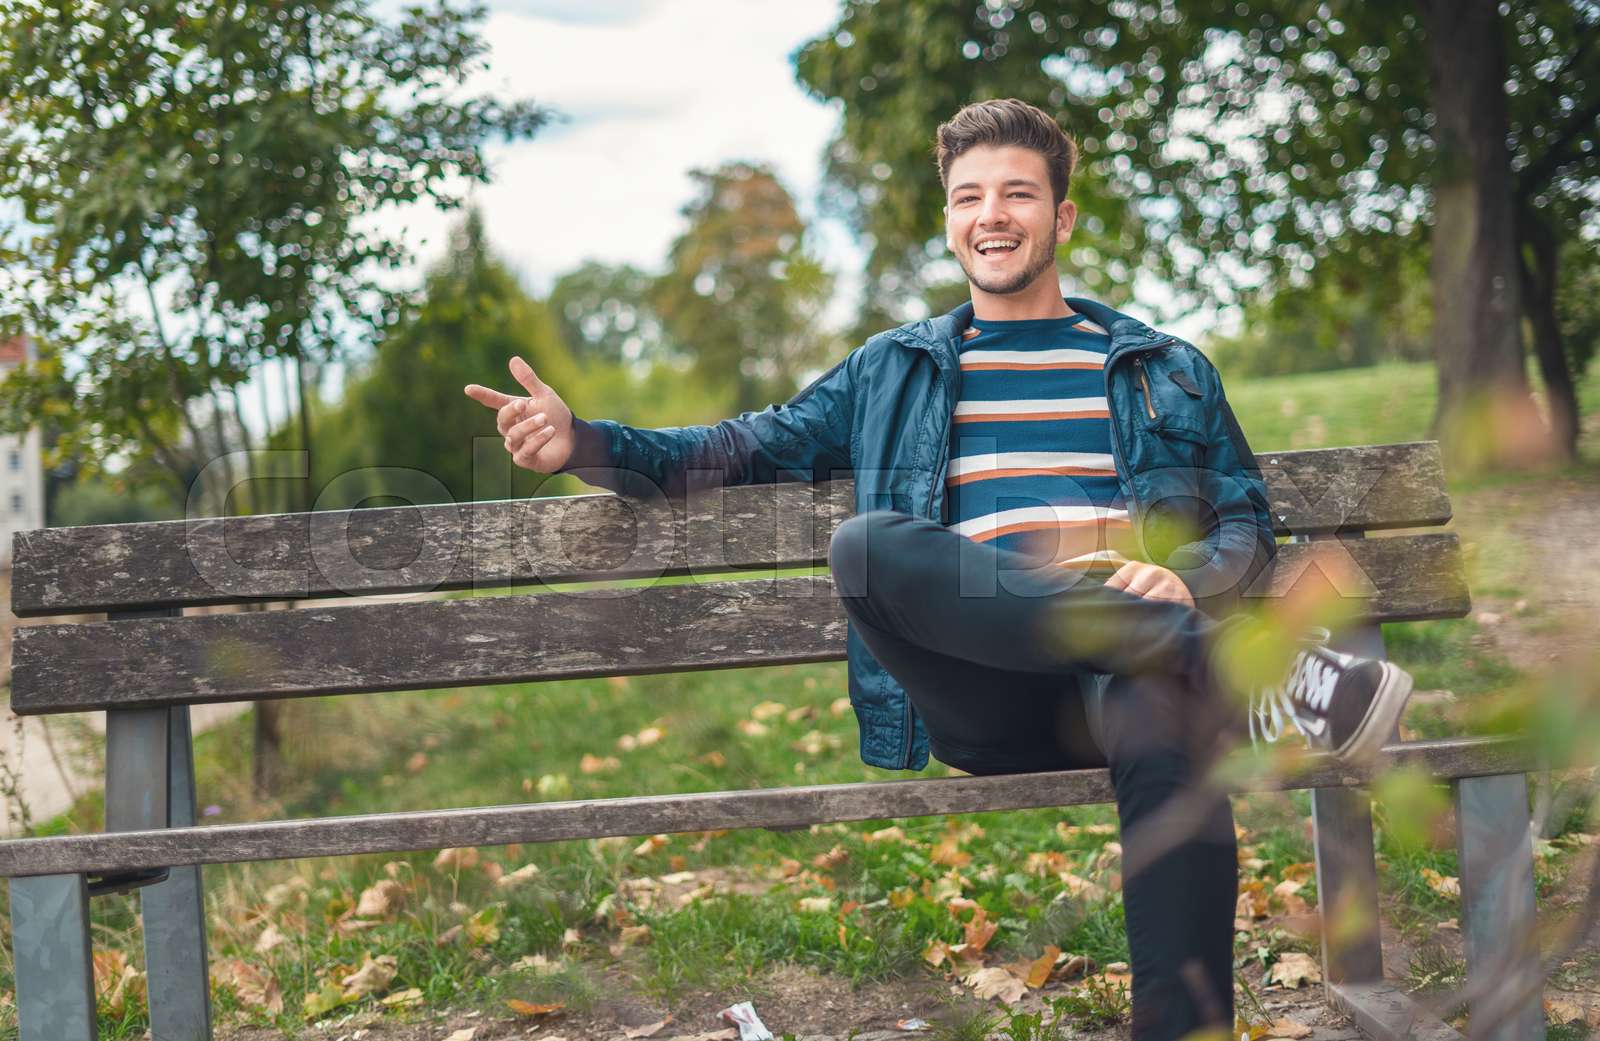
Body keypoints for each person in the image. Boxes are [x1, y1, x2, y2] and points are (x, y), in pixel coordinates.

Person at [465, 98, 1413, 1041]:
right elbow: (737, 446)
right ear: (949, 220)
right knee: (866, 547)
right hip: (986, 685)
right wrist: (582, 442)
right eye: (968, 196)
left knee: (1165, 712)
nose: (991, 214)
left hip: (1124, 674)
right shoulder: (896, 366)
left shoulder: (1165, 367)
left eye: (1016, 194)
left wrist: (1190, 581)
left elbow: (1244, 519)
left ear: (1062, 218)